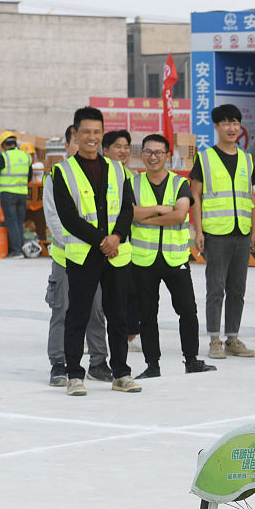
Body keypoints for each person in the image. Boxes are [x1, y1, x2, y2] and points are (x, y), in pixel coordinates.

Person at [52, 106, 140, 396]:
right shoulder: (61, 172)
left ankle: (121, 374)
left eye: (97, 132)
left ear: (103, 135)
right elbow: (68, 217)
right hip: (84, 255)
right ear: (75, 134)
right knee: (77, 316)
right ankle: (75, 375)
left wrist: (116, 237)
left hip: (116, 256)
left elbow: (128, 209)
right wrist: (103, 239)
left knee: (118, 316)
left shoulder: (117, 169)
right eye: (86, 132)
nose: (91, 137)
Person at [130, 133, 215, 379]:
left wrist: (145, 215)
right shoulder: (134, 183)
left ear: (168, 156)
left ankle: (191, 360)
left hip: (175, 259)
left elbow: (180, 216)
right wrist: (158, 209)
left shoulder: (180, 184)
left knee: (187, 311)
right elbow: (129, 213)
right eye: (148, 152)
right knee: (147, 315)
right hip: (143, 259)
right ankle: (152, 365)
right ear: (142, 154)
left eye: (158, 152)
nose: (153, 157)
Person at [190, 104, 255, 360]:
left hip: (242, 232)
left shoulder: (246, 158)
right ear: (216, 126)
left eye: (235, 123)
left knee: (237, 288)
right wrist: (198, 230)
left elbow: (250, 198)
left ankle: (232, 337)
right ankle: (214, 340)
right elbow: (195, 195)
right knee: (216, 288)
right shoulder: (204, 158)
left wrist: (253, 231)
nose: (232, 128)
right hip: (215, 233)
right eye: (226, 123)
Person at [44, 123, 109, 387]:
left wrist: (100, 244)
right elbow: (54, 218)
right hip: (67, 257)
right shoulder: (57, 176)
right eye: (77, 138)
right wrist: (78, 244)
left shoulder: (101, 173)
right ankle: (59, 363)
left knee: (96, 310)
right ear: (70, 143)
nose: (85, 142)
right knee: (64, 310)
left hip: (96, 256)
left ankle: (98, 361)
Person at [104, 129, 140, 351]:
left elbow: (136, 211)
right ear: (105, 150)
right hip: (106, 244)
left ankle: (129, 335)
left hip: (130, 245)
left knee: (130, 293)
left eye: (126, 146)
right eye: (118, 146)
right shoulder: (100, 175)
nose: (123, 150)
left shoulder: (134, 176)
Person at [0, 132, 33, 258]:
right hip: (22, 194)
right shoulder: (26, 157)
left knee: (11, 222)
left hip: (7, 194)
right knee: (19, 222)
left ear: (3, 145)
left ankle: (16, 251)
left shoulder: (3, 157)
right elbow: (29, 176)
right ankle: (20, 248)